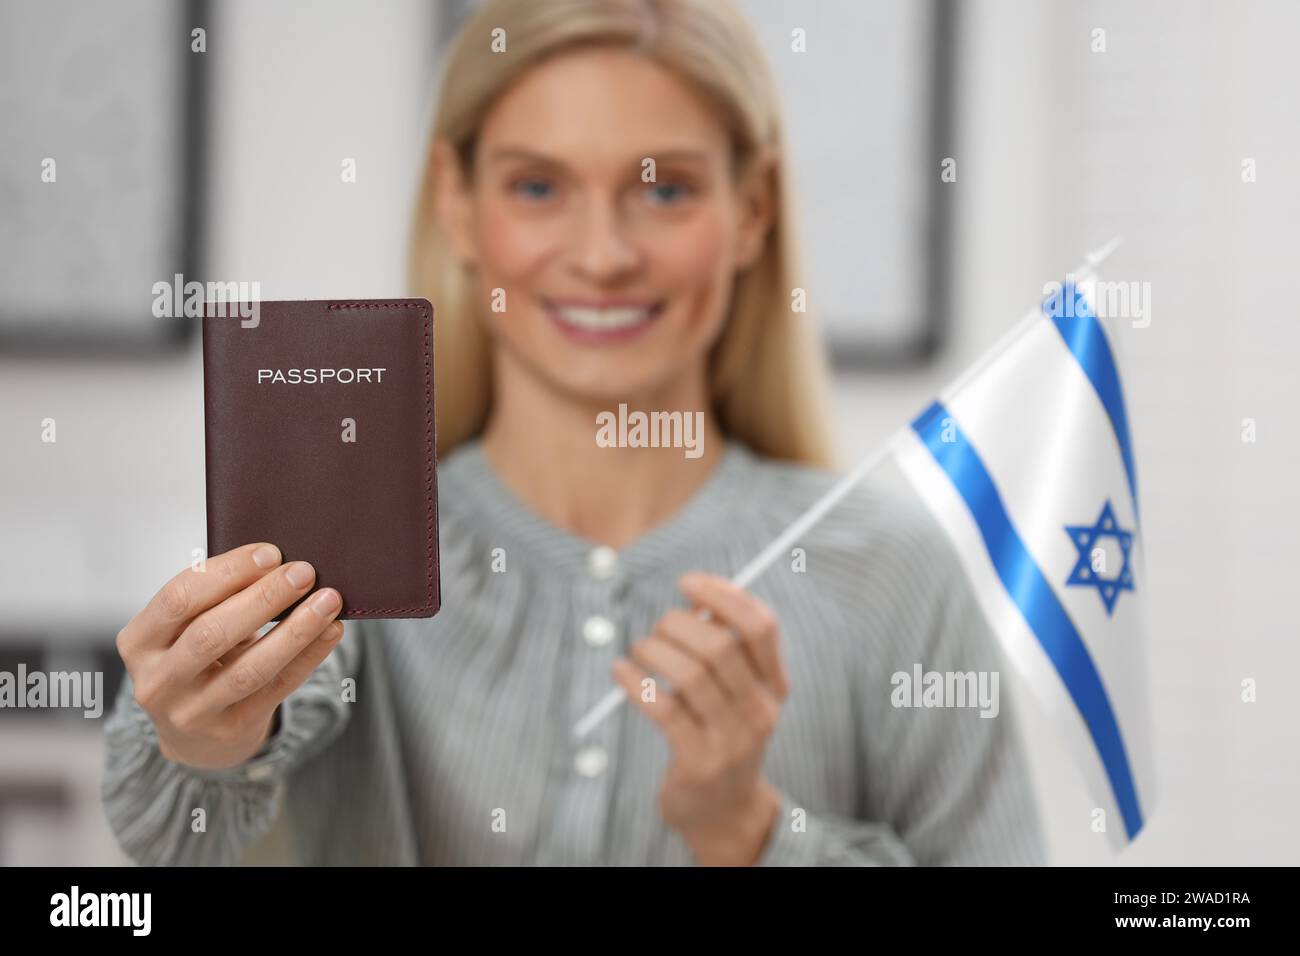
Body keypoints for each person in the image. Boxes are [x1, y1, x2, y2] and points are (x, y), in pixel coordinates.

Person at [102, 0, 1044, 866]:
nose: (602, 256)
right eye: (538, 188)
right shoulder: (348, 554)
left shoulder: (895, 571)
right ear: (457, 203)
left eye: (665, 190)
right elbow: (186, 835)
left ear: (752, 210)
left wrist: (750, 833)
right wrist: (201, 740)